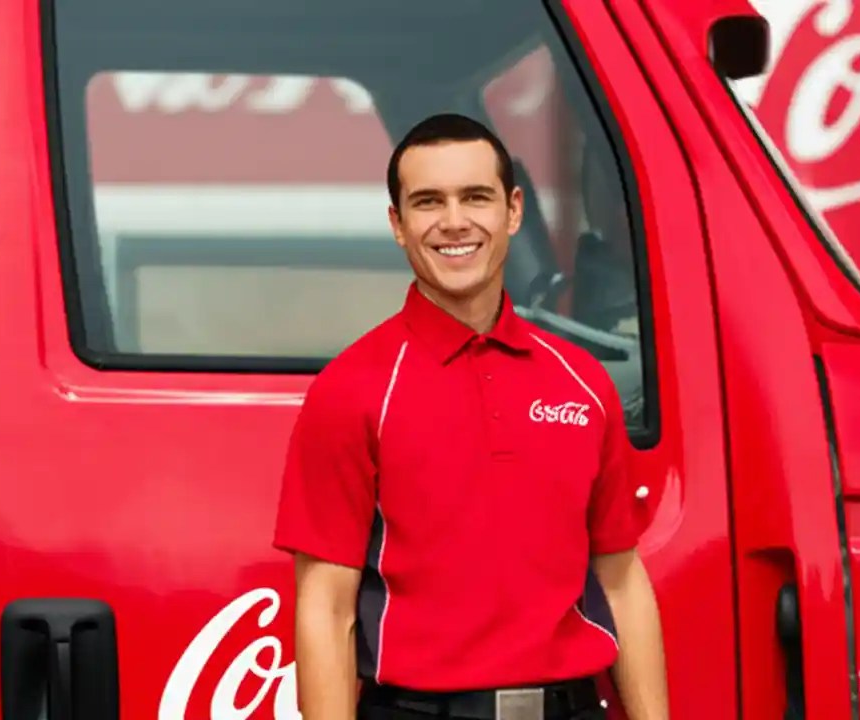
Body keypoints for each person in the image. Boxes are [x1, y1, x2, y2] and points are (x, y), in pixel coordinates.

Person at [273, 113, 668, 720]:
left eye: (475, 197)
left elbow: (621, 581)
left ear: (512, 211)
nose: (454, 222)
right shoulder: (352, 390)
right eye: (428, 202)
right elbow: (327, 607)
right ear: (398, 225)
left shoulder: (583, 383)